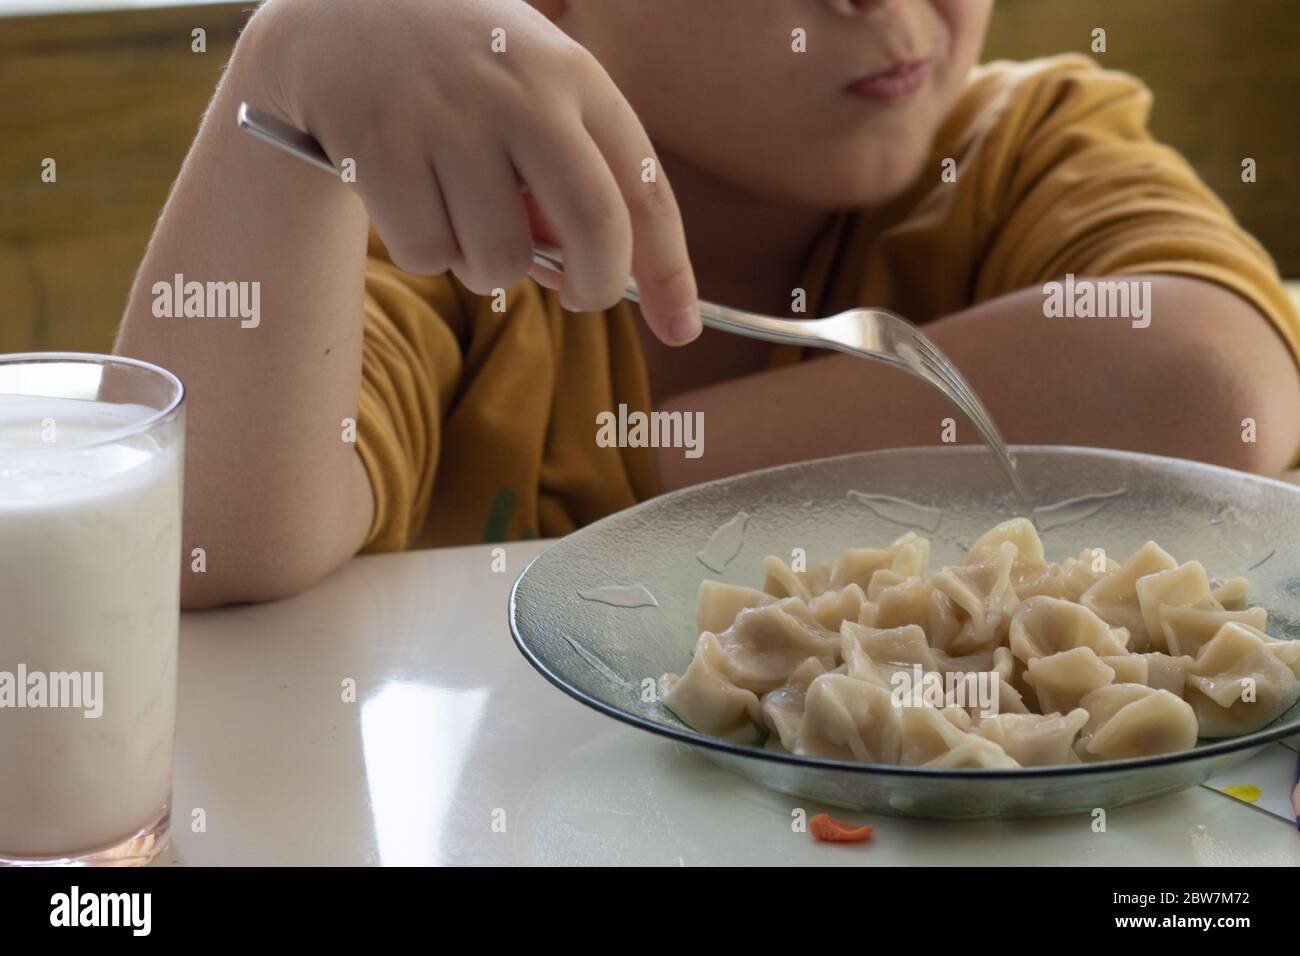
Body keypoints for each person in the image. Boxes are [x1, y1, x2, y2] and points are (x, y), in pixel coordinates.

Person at [114, 0, 1300, 608]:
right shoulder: (447, 232)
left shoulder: (1020, 146)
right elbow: (201, 535)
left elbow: (1207, 385)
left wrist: (619, 478)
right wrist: (291, 60)